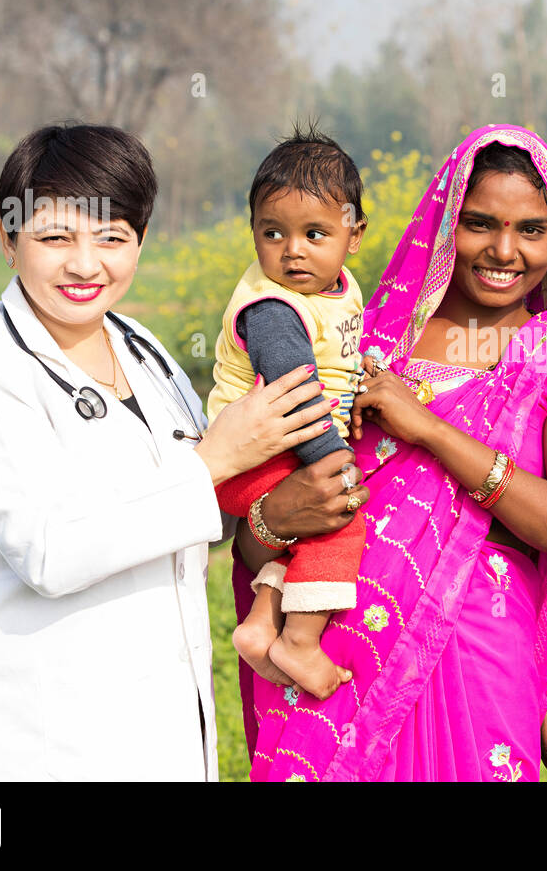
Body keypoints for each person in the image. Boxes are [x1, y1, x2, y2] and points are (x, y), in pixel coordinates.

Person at [0, 123, 337, 781]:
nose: (85, 265)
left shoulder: (143, 349)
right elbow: (47, 551)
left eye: (111, 238)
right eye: (55, 238)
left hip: (163, 723)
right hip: (42, 736)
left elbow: (196, 514)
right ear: (8, 239)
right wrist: (217, 461)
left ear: (140, 241)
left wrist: (271, 508)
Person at [233, 124, 547, 781]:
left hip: (477, 657)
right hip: (330, 657)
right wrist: (271, 521)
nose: (505, 251)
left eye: (531, 229)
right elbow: (263, 528)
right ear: (446, 225)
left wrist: (432, 431)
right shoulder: (368, 342)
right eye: (480, 224)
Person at [208, 128, 368, 701]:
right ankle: (299, 641)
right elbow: (297, 392)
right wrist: (334, 461)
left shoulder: (335, 290)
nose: (292, 249)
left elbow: (341, 359)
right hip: (250, 456)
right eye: (272, 233)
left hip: (282, 449)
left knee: (305, 536)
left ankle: (261, 623)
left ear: (354, 235)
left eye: (314, 234)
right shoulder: (273, 308)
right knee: (339, 518)